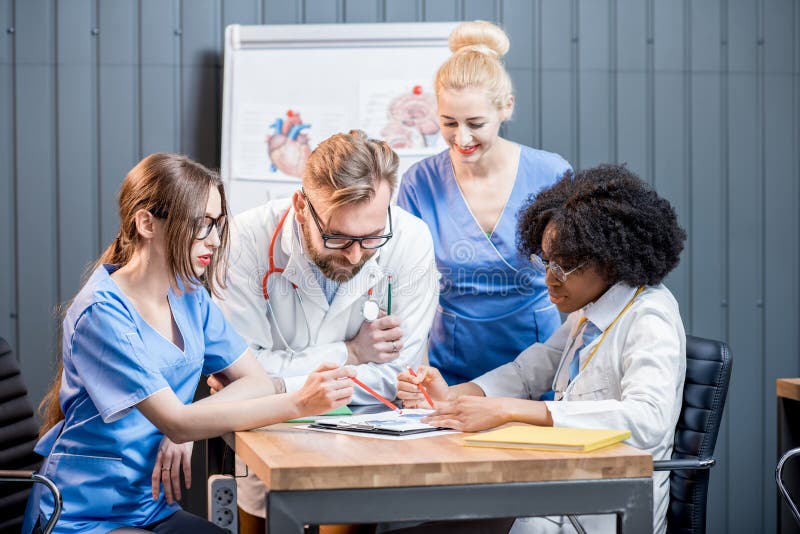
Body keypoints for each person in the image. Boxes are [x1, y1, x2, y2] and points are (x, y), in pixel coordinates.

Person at [24, 153, 355, 534]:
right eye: (202, 225)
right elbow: (178, 422)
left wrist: (189, 423)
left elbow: (256, 381)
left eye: (218, 225)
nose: (214, 240)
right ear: (147, 223)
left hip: (149, 511)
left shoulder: (189, 294)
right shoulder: (102, 314)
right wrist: (299, 402)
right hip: (82, 515)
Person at [397, 164, 687, 534]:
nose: (548, 278)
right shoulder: (588, 313)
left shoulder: (650, 317)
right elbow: (525, 372)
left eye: (564, 268)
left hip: (602, 514)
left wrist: (507, 410)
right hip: (556, 496)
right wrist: (450, 399)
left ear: (611, 261)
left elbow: (647, 421)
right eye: (546, 261)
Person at [212, 130, 439, 532]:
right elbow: (239, 371)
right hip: (268, 429)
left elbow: (396, 373)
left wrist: (278, 384)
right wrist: (350, 352)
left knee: (346, 515)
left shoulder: (410, 240)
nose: (354, 255)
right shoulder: (244, 241)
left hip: (368, 429)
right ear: (301, 206)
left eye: (370, 238)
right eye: (337, 237)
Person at [396, 20, 571, 385]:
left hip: (539, 363)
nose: (462, 138)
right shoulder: (419, 183)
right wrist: (412, 367)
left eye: (475, 123)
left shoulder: (550, 173)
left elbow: (579, 271)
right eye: (449, 122)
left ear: (506, 107)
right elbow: (403, 284)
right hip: (450, 366)